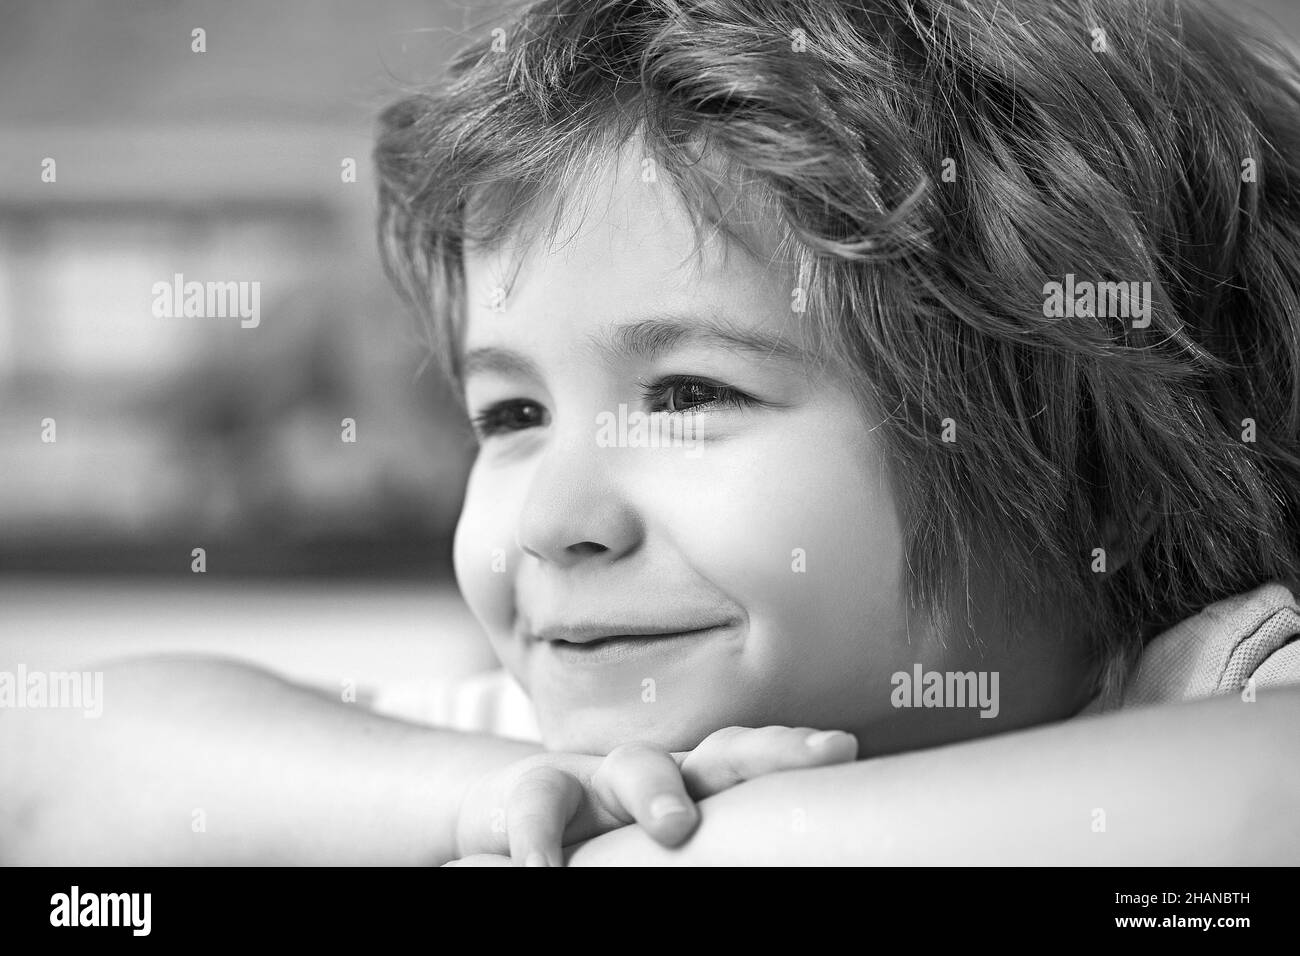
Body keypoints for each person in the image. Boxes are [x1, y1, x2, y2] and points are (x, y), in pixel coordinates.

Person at [5, 0, 1300, 865]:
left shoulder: (1230, 690)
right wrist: (463, 799)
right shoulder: (569, 756)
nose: (558, 523)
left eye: (687, 396)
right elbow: (47, 751)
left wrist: (711, 844)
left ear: (1099, 464)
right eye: (509, 413)